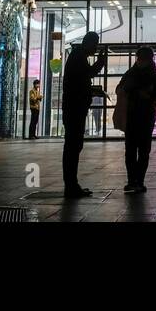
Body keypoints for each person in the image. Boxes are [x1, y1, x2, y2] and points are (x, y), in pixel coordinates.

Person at [61, 32, 108, 198]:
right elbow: (87, 74)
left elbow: (81, 80)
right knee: (73, 147)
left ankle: (72, 184)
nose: (95, 49)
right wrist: (101, 62)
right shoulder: (77, 57)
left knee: (74, 146)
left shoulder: (78, 56)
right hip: (74, 110)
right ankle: (71, 185)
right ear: (88, 43)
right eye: (95, 45)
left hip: (74, 108)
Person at [119, 46, 156, 194]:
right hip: (142, 116)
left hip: (139, 116)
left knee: (135, 150)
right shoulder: (151, 75)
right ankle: (136, 181)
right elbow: (120, 88)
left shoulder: (132, 73)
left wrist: (146, 95)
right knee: (139, 150)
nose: (141, 61)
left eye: (143, 58)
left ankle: (135, 181)